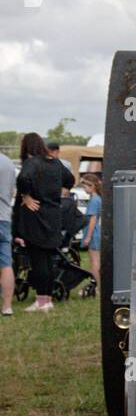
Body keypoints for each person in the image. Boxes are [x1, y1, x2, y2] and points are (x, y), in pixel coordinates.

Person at [13, 133, 63, 312]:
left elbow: (23, 179)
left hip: (36, 219)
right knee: (49, 261)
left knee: (38, 261)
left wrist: (25, 196)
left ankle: (41, 301)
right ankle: (47, 299)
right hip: (53, 217)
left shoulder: (32, 163)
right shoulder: (55, 163)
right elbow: (70, 180)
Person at [0, 149, 16, 316]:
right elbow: (12, 192)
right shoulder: (8, 162)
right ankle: (7, 306)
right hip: (4, 217)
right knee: (5, 265)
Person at [80, 173, 102, 292]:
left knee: (94, 262)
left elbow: (93, 219)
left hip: (93, 233)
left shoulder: (94, 200)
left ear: (91, 186)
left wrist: (88, 236)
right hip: (95, 232)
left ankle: (97, 286)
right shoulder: (97, 198)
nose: (84, 189)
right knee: (96, 261)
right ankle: (97, 285)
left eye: (85, 187)